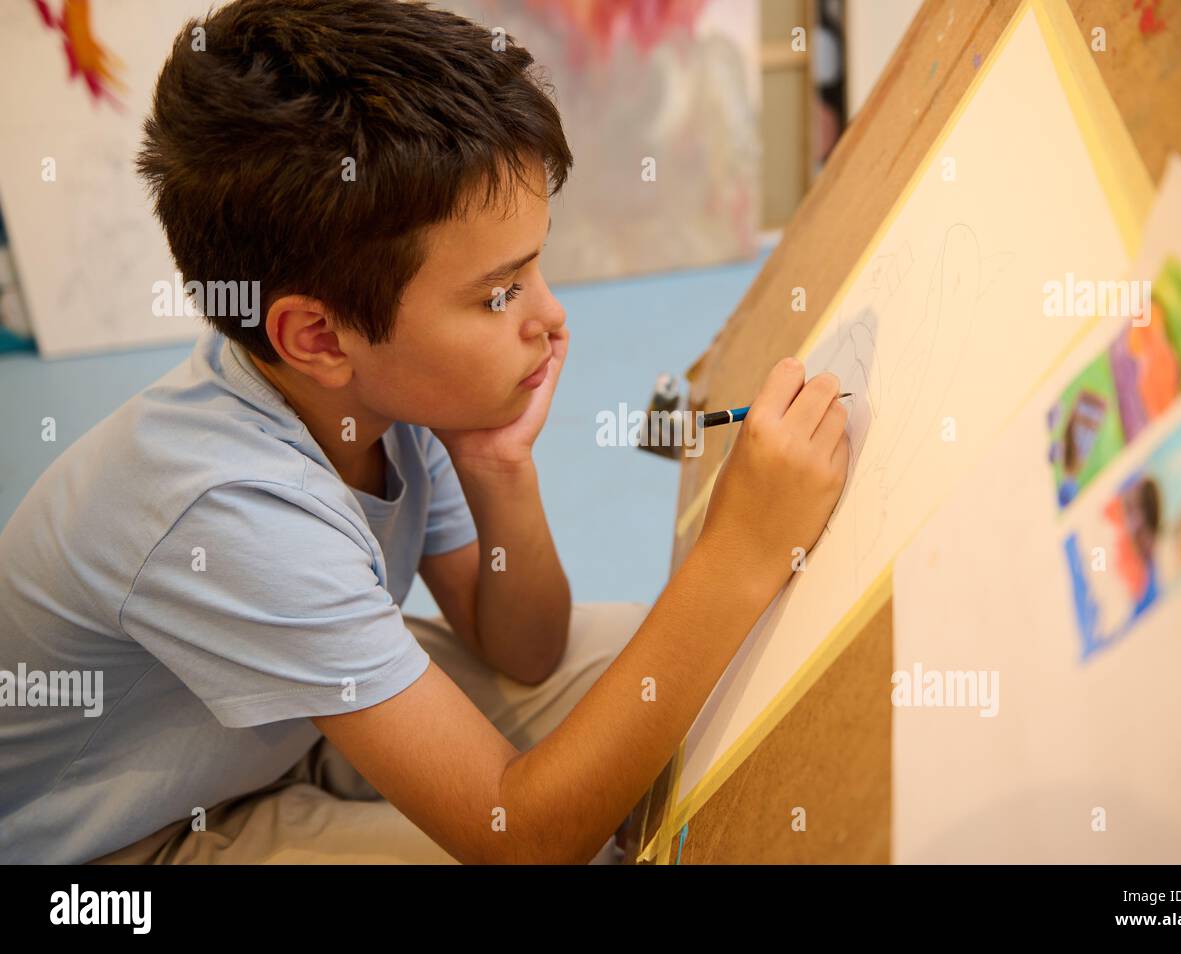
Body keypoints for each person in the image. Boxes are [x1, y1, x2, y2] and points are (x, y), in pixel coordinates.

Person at [0, 0, 850, 864]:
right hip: (126, 845)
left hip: (275, 728)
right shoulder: (231, 515)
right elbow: (517, 837)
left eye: (534, 267)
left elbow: (524, 649)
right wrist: (742, 551)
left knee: (626, 652)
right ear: (319, 337)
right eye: (498, 293)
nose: (551, 318)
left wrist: (498, 463)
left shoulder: (362, 389)